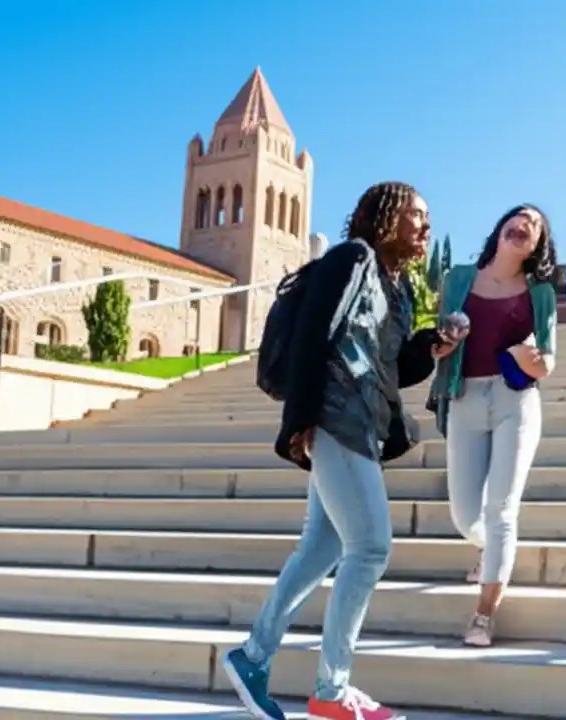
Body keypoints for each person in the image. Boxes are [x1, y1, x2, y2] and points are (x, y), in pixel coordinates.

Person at [223, 182, 459, 720]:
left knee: (322, 549)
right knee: (371, 548)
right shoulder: (353, 258)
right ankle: (332, 691)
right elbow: (315, 333)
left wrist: (430, 346)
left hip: (366, 426)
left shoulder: (396, 289)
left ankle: (253, 656)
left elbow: (393, 367)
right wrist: (300, 419)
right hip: (335, 416)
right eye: (416, 215)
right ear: (388, 215)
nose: (425, 226)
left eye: (428, 217)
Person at [428, 204, 558, 647]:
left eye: (536, 226)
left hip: (516, 400)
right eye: (520, 218)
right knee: (466, 514)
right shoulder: (459, 279)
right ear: (502, 227)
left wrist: (534, 359)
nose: (526, 224)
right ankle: (487, 548)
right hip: (465, 396)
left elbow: (549, 361)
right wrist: (442, 345)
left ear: (537, 245)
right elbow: (438, 342)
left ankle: (484, 614)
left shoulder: (540, 293)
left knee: (501, 508)